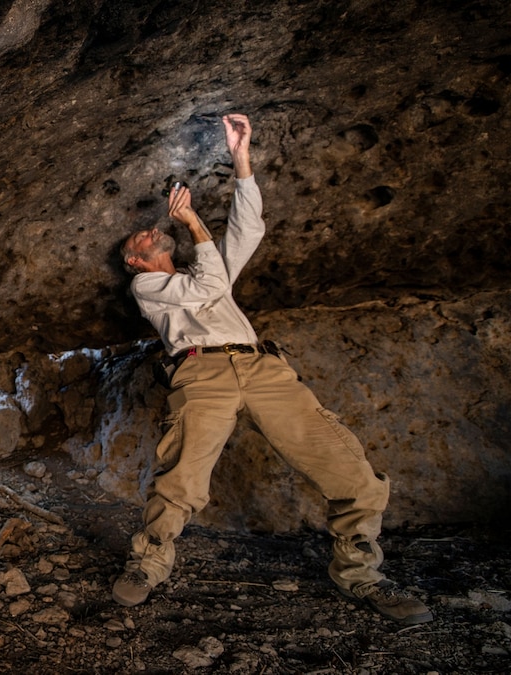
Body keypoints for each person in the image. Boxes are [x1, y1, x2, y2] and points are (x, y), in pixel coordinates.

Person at [112, 113, 433, 625]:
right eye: (141, 239)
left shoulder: (205, 268)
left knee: (347, 467)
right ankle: (147, 563)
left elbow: (247, 231)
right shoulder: (148, 289)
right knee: (181, 476)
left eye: (153, 228)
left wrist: (241, 160)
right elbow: (206, 289)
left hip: (263, 369)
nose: (152, 231)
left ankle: (361, 573)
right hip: (201, 373)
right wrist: (193, 223)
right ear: (134, 262)